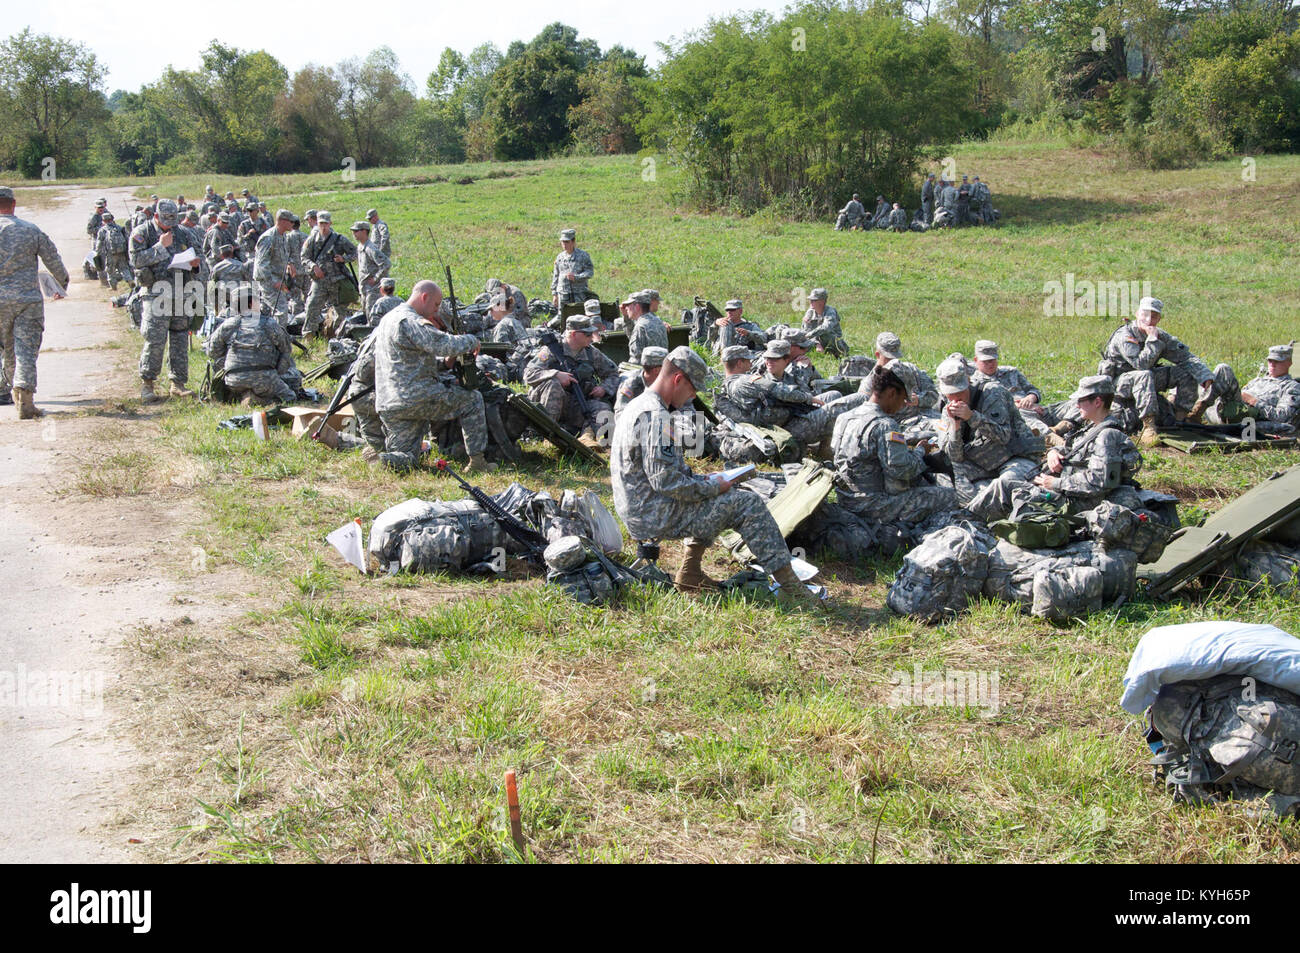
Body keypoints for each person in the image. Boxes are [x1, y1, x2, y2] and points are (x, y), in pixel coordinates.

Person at [611, 345, 817, 601]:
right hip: (652, 512)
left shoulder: (641, 404)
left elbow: (664, 475)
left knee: (722, 492)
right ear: (677, 379)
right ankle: (793, 588)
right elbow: (666, 482)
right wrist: (713, 487)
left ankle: (691, 573)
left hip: (641, 504)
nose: (691, 397)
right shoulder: (656, 416)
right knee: (747, 504)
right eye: (692, 389)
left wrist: (707, 481)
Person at [373, 280, 493, 473]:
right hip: (417, 398)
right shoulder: (410, 320)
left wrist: (445, 363)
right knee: (472, 400)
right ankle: (478, 462)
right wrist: (471, 340)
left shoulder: (388, 319)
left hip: (390, 404)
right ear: (424, 297)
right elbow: (442, 343)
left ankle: (382, 460)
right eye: (436, 305)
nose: (435, 312)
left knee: (408, 459)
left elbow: (408, 362)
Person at [1098, 296, 1235, 447]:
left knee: (1185, 372)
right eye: (1145, 314)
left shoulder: (1160, 335)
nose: (1149, 319)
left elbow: (1185, 356)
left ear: (1159, 319)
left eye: (1154, 316)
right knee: (1145, 375)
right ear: (1137, 314)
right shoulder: (1125, 336)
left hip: (1146, 379)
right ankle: (1148, 427)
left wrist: (1204, 375)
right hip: (1119, 383)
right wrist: (1152, 341)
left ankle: (1180, 417)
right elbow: (1141, 364)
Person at [831, 364, 955, 528]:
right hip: (873, 505)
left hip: (845, 498)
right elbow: (902, 471)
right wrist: (920, 452)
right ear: (891, 393)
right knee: (949, 496)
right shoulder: (885, 425)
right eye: (903, 399)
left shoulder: (845, 418)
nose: (903, 405)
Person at [933, 356, 1042, 518]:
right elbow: (955, 457)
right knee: (943, 472)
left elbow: (1003, 436)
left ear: (968, 381)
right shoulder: (947, 410)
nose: (955, 398)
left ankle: (977, 510)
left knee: (1006, 482)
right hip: (982, 461)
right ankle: (980, 506)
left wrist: (972, 417)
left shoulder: (992, 393)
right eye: (950, 394)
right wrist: (955, 426)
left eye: (959, 391)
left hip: (1014, 455)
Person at [0, 187, 69, 417]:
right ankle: (24, 398)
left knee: (8, 350)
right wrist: (60, 286)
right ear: (14, 204)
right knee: (26, 350)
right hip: (27, 300)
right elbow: (53, 259)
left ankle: (13, 389)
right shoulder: (30, 230)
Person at [1031, 375, 1144, 512]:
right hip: (1072, 492)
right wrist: (1053, 452)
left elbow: (1098, 481)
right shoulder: (1092, 428)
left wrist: (1055, 483)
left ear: (1097, 402)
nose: (1077, 405)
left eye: (1081, 401)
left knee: (1020, 496)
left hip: (1084, 501)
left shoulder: (1106, 436)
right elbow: (1072, 449)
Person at [130, 199, 201, 403]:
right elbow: (136, 260)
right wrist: (161, 247)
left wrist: (195, 264)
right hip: (155, 293)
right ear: (155, 217)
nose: (169, 224)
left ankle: (177, 384)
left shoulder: (184, 232)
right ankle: (148, 384)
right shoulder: (142, 233)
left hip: (180, 291)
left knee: (179, 338)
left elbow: (199, 256)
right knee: (155, 338)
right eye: (165, 220)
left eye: (173, 220)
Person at [523, 314, 618, 449]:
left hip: (578, 402)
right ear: (573, 334)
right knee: (553, 384)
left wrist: (604, 388)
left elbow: (613, 374)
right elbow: (529, 374)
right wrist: (555, 374)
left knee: (602, 408)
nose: (592, 337)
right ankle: (546, 434)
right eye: (587, 334)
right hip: (551, 402)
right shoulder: (551, 350)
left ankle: (597, 441)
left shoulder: (591, 353)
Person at [206, 291, 301, 405]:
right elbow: (286, 350)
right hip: (264, 379)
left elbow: (212, 352)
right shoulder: (269, 323)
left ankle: (239, 396)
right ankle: (259, 400)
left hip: (233, 380)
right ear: (251, 304)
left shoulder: (228, 324)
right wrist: (277, 373)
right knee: (290, 398)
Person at [854, 332, 940, 420]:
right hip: (900, 426)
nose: (892, 362)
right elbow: (869, 415)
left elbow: (934, 395)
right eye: (888, 358)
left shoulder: (910, 369)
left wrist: (919, 400)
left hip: (926, 417)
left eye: (894, 358)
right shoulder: (869, 384)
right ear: (878, 355)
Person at [299, 211, 357, 337]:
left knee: (340, 311)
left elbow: (355, 253)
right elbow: (304, 257)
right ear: (317, 223)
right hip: (319, 282)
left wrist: (343, 259)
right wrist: (313, 266)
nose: (323, 226)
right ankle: (309, 336)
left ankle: (336, 336)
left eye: (326, 223)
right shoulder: (312, 240)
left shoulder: (339, 239)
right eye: (321, 223)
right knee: (311, 307)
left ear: (330, 223)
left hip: (337, 281)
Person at [1233, 343, 1300, 428]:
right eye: (1270, 360)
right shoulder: (1257, 380)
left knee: (1224, 369)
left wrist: (1254, 402)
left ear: (1289, 363)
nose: (1272, 364)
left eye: (1277, 361)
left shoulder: (1291, 387)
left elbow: (1282, 417)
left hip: (1251, 417)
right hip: (1232, 406)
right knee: (1222, 371)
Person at [253, 209, 298, 321]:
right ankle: (279, 337)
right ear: (282, 221)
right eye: (290, 222)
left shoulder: (283, 236)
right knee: (281, 312)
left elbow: (284, 253)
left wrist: (290, 263)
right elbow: (261, 265)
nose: (293, 224)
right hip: (268, 280)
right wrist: (274, 282)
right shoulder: (268, 238)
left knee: (267, 312)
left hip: (278, 278)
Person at [614, 345, 668, 417]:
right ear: (656, 370)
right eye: (667, 366)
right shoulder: (630, 384)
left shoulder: (666, 382)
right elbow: (621, 415)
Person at [351, 220, 390, 315]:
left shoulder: (371, 249)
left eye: (356, 231)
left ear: (364, 231)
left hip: (373, 290)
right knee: (365, 313)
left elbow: (386, 264)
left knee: (372, 314)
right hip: (364, 288)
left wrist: (376, 278)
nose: (353, 234)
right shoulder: (360, 246)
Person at [551, 227, 594, 310]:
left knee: (579, 315)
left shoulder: (583, 256)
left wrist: (576, 277)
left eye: (567, 242)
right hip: (563, 293)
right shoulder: (560, 257)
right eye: (563, 242)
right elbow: (556, 276)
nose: (564, 245)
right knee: (562, 316)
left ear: (573, 241)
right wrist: (554, 294)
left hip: (579, 293)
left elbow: (590, 272)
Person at [625, 290, 669, 364]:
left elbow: (636, 359)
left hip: (647, 371)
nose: (626, 308)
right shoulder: (658, 321)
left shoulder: (640, 327)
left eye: (629, 305)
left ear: (637, 307)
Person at [802, 288, 847, 357]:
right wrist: (816, 343)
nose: (811, 302)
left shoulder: (830, 312)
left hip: (834, 343)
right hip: (815, 342)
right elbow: (805, 331)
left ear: (822, 302)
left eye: (814, 300)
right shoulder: (810, 313)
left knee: (825, 334)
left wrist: (810, 334)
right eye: (810, 300)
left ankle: (835, 354)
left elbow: (826, 328)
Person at [94, 211, 131, 290]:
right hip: (122, 252)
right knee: (124, 268)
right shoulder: (119, 228)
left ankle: (113, 287)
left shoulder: (103, 230)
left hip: (111, 253)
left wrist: (97, 253)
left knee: (110, 270)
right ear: (112, 219)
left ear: (103, 221)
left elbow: (99, 243)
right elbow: (127, 239)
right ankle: (130, 280)